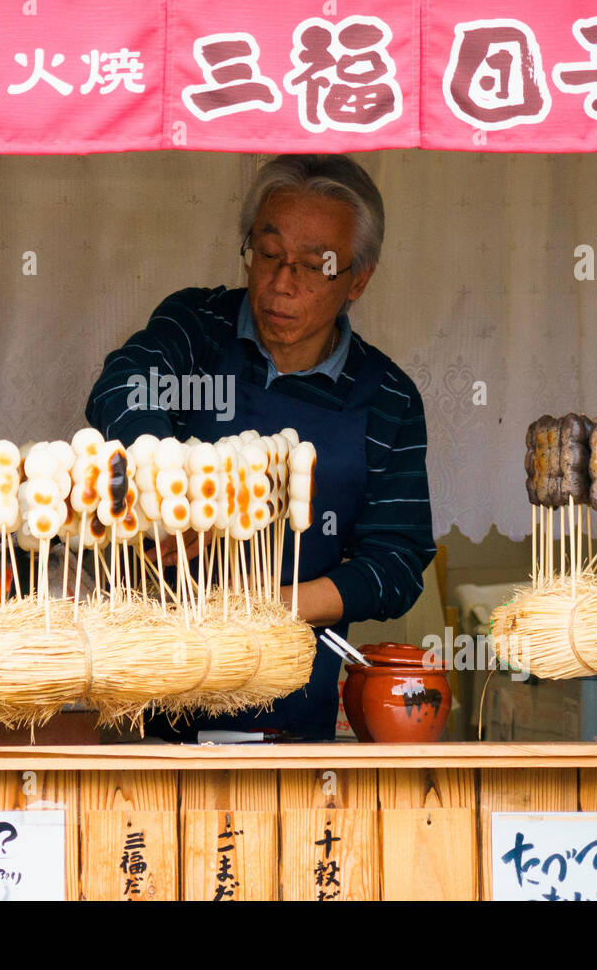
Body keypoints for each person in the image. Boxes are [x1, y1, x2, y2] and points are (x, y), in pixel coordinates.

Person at [84, 153, 436, 740]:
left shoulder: (387, 398)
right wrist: (171, 491)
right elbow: (124, 384)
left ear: (358, 277)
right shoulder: (198, 329)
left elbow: (396, 564)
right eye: (269, 255)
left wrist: (268, 603)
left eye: (311, 266)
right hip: (151, 700)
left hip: (292, 710)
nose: (281, 283)